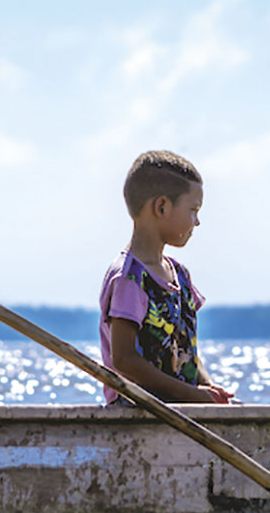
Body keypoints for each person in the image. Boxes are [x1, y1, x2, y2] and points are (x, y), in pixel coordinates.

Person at [98, 150, 235, 405]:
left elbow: (186, 351)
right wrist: (192, 395)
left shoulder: (180, 275)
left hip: (182, 407)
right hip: (140, 411)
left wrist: (206, 386)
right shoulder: (129, 278)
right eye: (193, 210)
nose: (197, 222)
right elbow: (124, 359)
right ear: (161, 207)